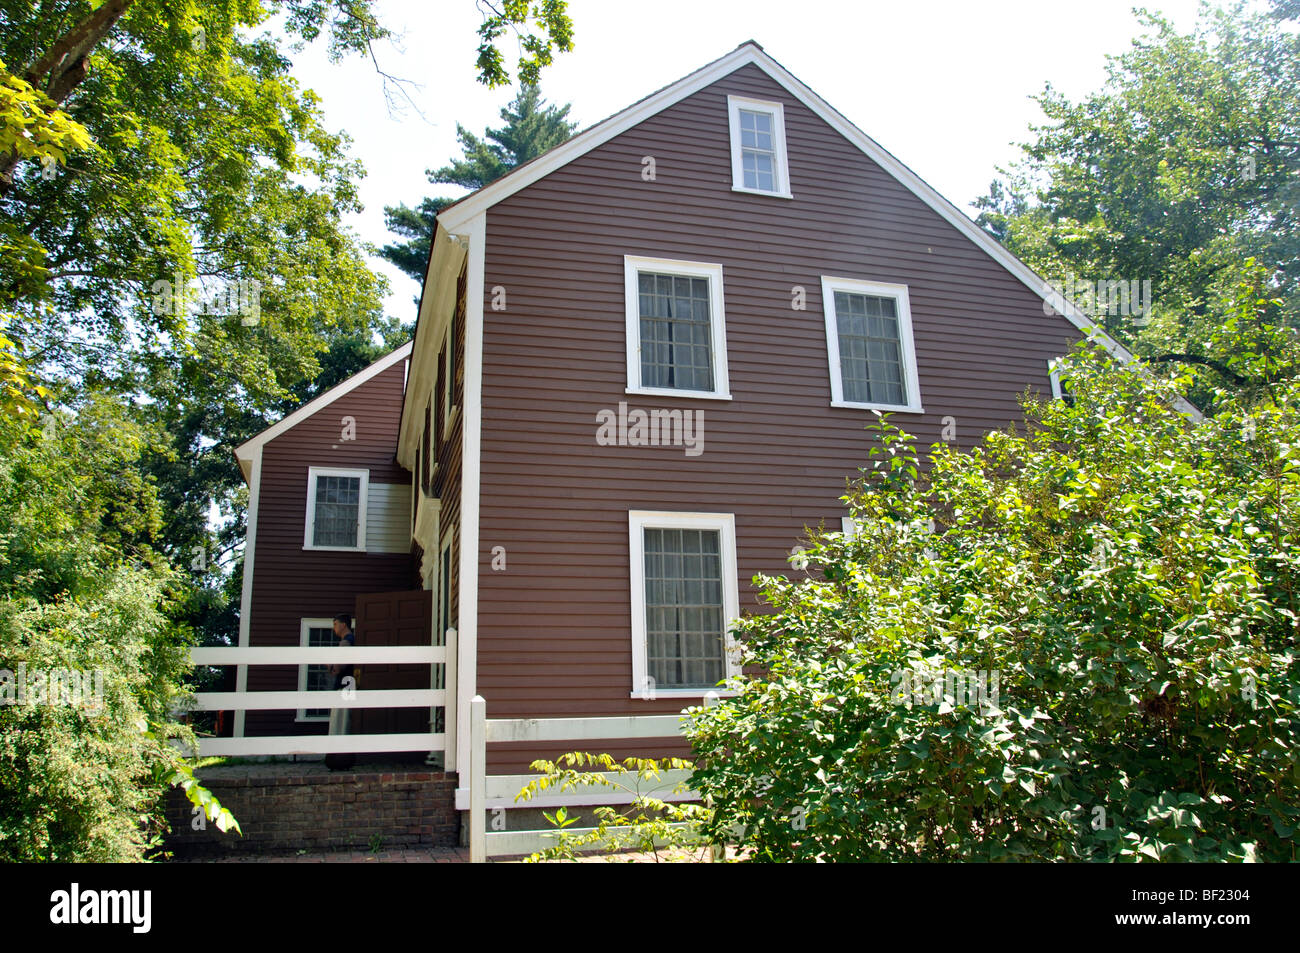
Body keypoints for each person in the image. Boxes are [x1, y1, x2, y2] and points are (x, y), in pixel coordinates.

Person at [325, 612, 356, 771]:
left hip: (344, 685)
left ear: (344, 624)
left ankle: (339, 758)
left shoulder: (346, 642)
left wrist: (329, 664)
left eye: (335, 624)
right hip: (349, 684)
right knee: (345, 720)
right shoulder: (351, 641)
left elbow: (338, 668)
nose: (334, 628)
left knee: (340, 721)